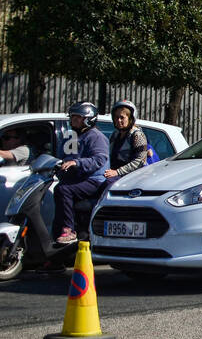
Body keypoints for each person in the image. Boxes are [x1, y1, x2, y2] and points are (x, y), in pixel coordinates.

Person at [52, 101, 108, 245]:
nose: (73, 120)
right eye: (72, 117)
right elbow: (62, 157)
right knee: (60, 197)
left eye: (78, 117)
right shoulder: (71, 136)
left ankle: (69, 230)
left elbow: (99, 160)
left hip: (94, 180)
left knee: (63, 189)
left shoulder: (95, 136)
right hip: (77, 179)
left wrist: (77, 163)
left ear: (89, 119)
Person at [101, 100, 149, 187]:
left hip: (130, 178)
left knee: (107, 184)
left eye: (122, 117)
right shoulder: (115, 134)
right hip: (112, 173)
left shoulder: (137, 135)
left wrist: (117, 172)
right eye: (116, 117)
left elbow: (140, 161)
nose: (118, 120)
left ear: (131, 118)